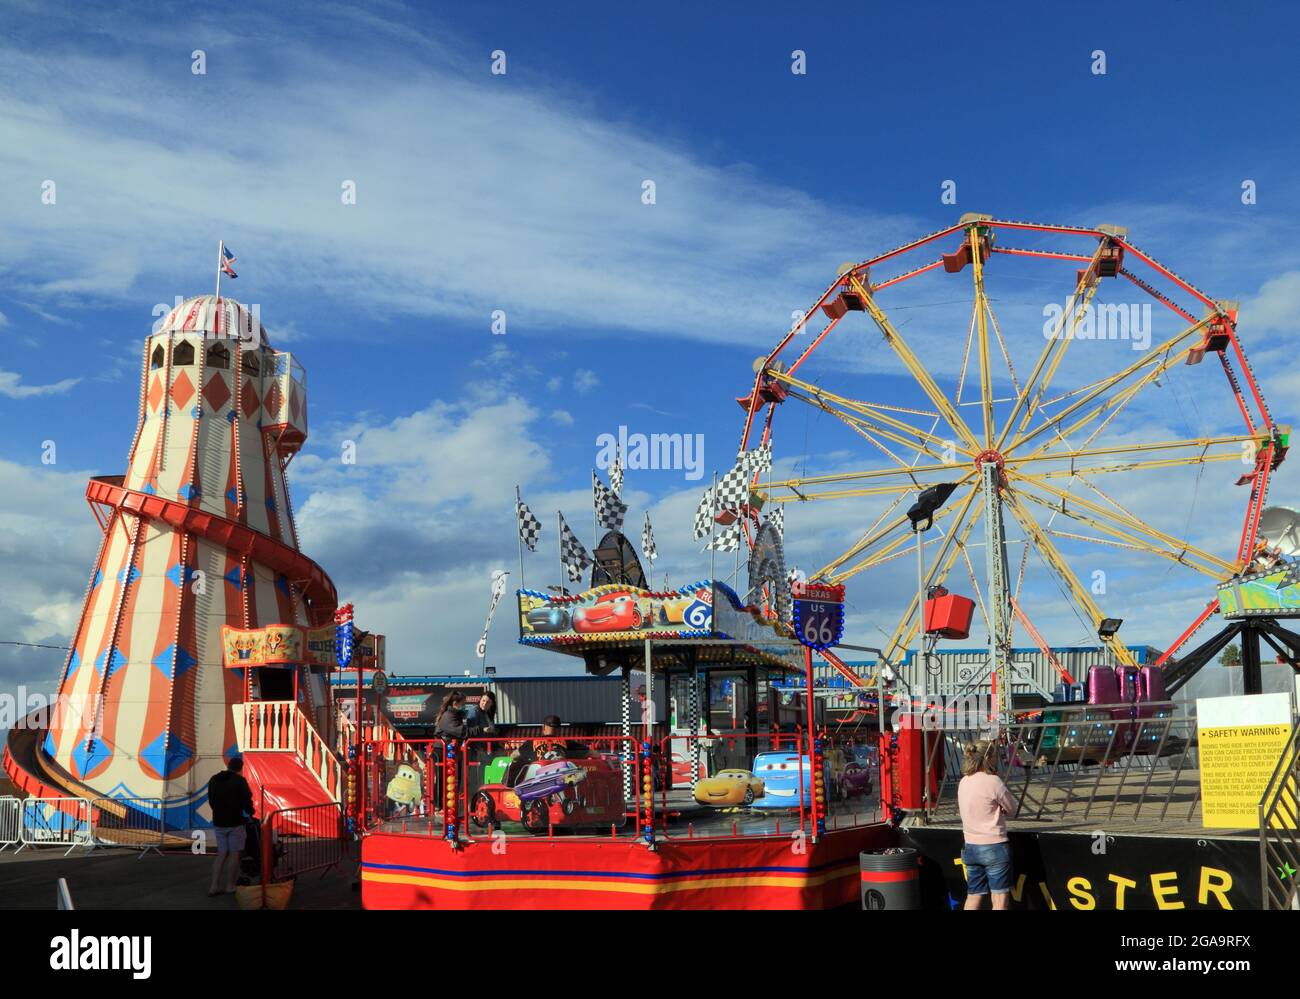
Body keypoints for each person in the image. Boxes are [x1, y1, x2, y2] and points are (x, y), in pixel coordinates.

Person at [958, 739, 1018, 910]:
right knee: (999, 900)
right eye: (995, 755)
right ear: (988, 758)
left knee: (973, 897)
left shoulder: (964, 782)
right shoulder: (993, 781)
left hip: (971, 847)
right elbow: (1012, 808)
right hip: (994, 847)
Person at [208, 756, 255, 897]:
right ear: (240, 768)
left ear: (228, 765)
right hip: (235, 822)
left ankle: (214, 886)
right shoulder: (239, 781)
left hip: (218, 821)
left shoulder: (213, 779)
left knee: (222, 853)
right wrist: (250, 812)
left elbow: (211, 800)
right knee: (235, 854)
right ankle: (230, 886)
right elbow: (247, 800)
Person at [505, 714, 587, 784]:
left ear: (543, 727)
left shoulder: (532, 742)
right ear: (559, 729)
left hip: (538, 779)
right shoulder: (567, 742)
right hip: (562, 777)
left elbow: (513, 756)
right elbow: (590, 753)